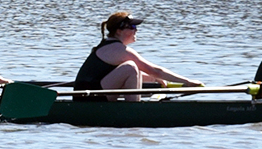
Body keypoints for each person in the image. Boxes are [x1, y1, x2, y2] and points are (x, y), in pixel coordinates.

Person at [73, 12, 202, 96]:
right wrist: (188, 81)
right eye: (132, 27)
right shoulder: (118, 49)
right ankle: (134, 109)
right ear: (119, 31)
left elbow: (152, 74)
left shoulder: (109, 45)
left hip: (91, 93)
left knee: (141, 72)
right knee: (131, 67)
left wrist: (155, 79)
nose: (136, 30)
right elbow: (155, 70)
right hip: (91, 98)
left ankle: (134, 105)